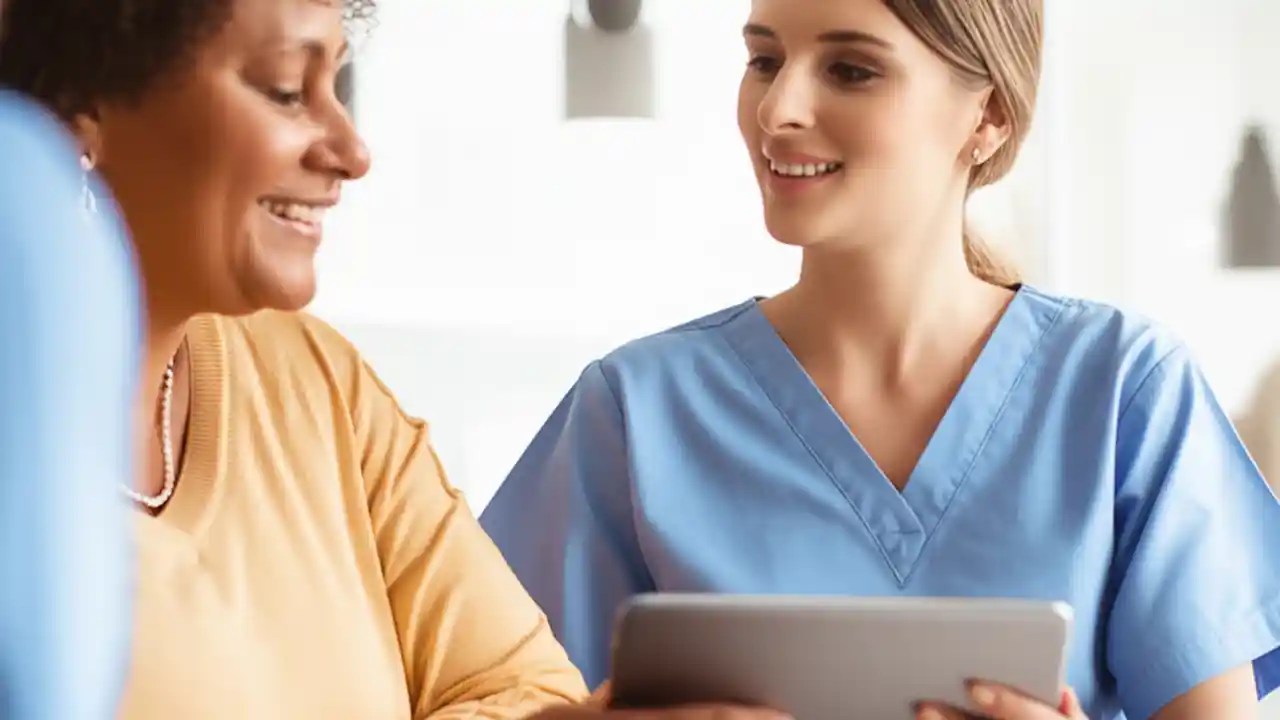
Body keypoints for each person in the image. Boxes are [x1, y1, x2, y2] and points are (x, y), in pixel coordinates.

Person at [479, 1, 1280, 718]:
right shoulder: (633, 411)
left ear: (989, 116)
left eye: (851, 70)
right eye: (764, 60)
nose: (779, 109)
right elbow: (485, 694)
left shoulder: (1122, 390)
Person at [0, 3, 791, 719]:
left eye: (337, 83)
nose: (350, 150)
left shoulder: (315, 382)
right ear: (77, 114)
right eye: (285, 90)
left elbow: (521, 689)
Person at [0, 90, 139, 720]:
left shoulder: (333, 387)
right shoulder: (22, 192)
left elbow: (485, 675)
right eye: (282, 91)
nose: (352, 155)